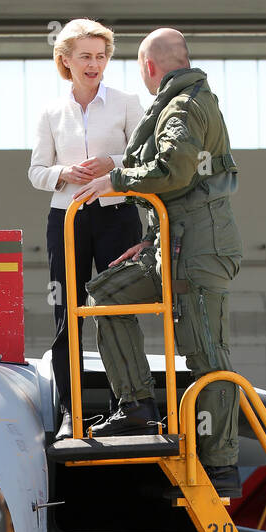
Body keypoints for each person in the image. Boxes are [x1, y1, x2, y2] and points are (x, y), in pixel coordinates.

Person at [73, 27, 242, 498]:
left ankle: (221, 466)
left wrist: (116, 179)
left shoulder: (185, 107)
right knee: (107, 295)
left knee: (207, 355)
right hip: (171, 244)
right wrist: (149, 241)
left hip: (200, 252)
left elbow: (174, 170)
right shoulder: (178, 104)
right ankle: (137, 406)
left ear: (149, 67)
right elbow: (182, 189)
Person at [28, 18, 145, 439]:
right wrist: (65, 172)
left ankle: (127, 408)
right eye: (86, 57)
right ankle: (70, 415)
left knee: (117, 310)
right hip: (68, 217)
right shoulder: (51, 111)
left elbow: (146, 155)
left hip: (117, 214)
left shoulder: (128, 102)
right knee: (67, 315)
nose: (95, 64)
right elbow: (37, 172)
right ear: (66, 61)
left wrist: (112, 163)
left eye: (101, 56)